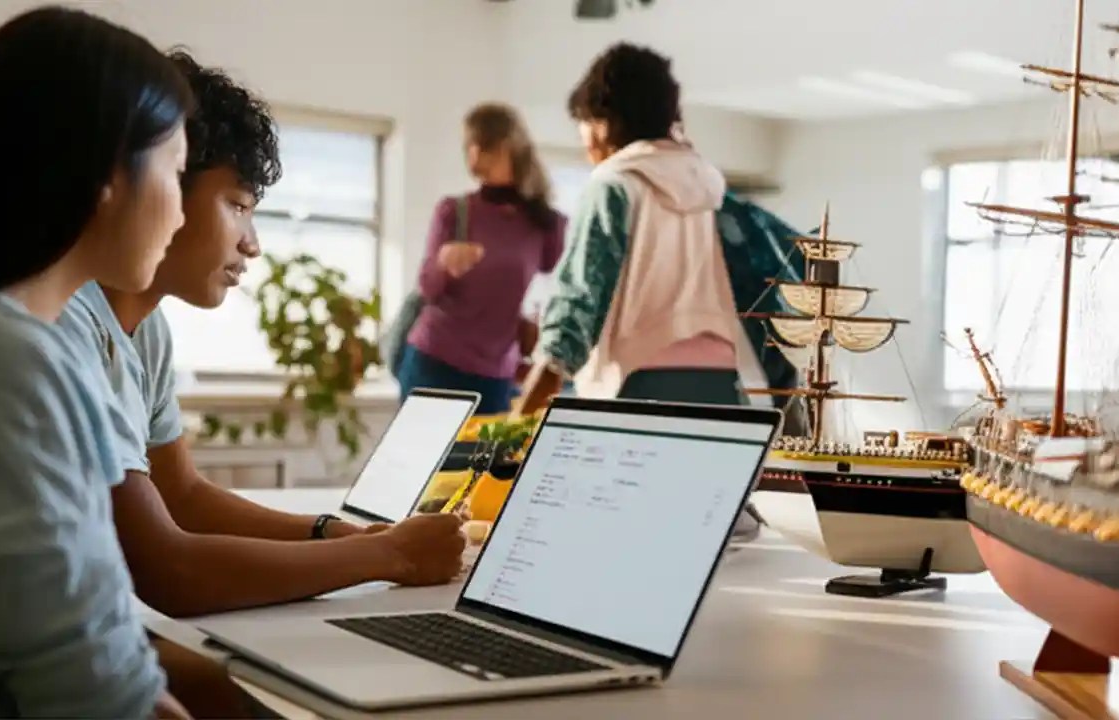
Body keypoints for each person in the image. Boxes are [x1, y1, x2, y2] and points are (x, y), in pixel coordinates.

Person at [53, 48, 467, 636]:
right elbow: (170, 568)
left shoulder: (146, 332)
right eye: (238, 206)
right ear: (155, 181)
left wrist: (343, 536)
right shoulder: (64, 323)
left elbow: (185, 497)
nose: (252, 243)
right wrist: (389, 557)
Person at [0, 8, 193, 718]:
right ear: (106, 172)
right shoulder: (3, 358)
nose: (179, 215)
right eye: (176, 172)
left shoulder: (11, 338)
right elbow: (94, 697)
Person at [518, 43, 744, 413]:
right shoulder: (713, 187)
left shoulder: (614, 184)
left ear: (602, 122)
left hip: (637, 382)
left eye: (585, 126)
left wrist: (521, 413)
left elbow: (578, 299)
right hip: (721, 382)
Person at [397, 103, 566, 415]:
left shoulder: (543, 224)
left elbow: (559, 268)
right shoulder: (454, 212)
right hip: (436, 365)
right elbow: (427, 288)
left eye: (485, 146)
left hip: (496, 377)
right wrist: (444, 263)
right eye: (470, 146)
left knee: (489, 465)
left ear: (511, 147)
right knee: (430, 464)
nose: (474, 155)